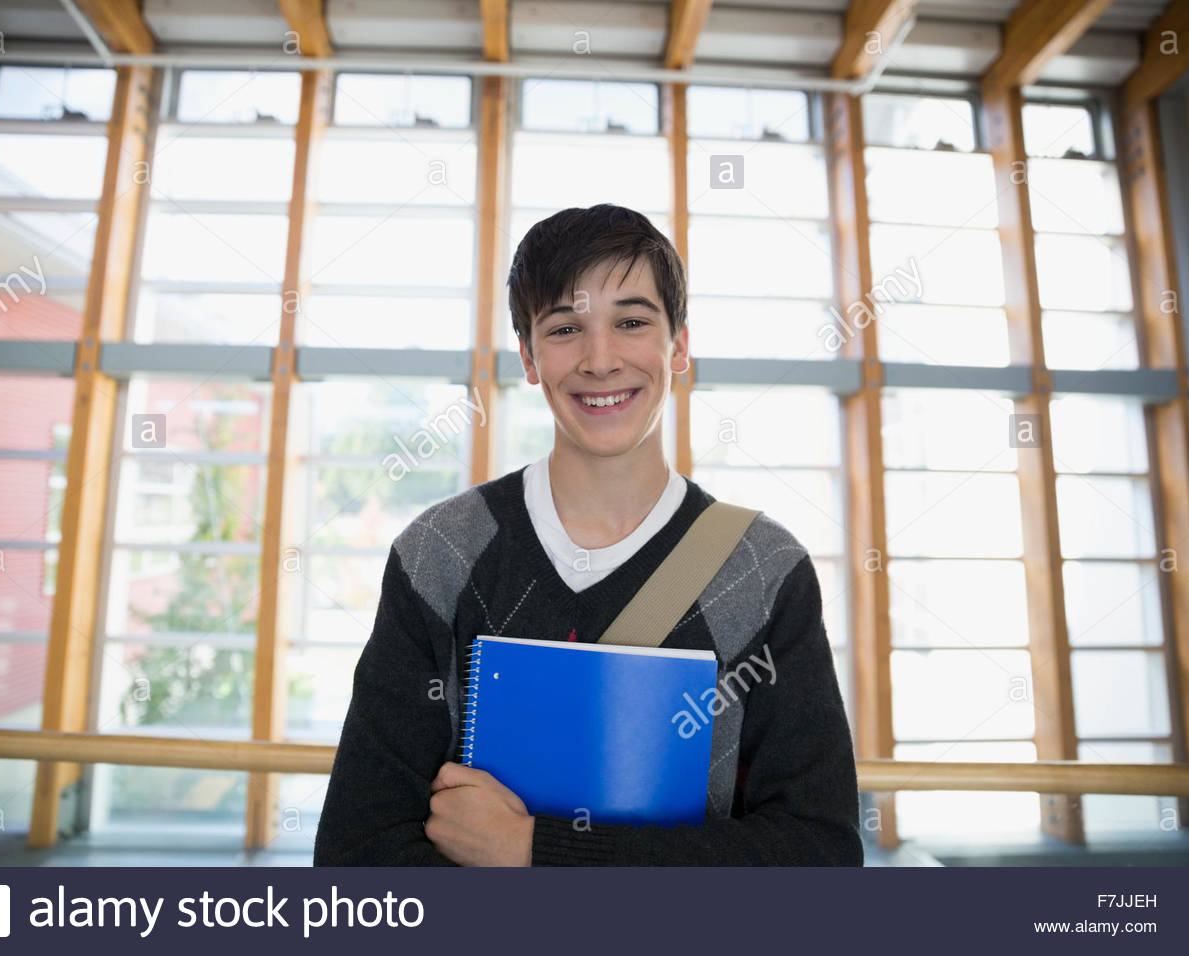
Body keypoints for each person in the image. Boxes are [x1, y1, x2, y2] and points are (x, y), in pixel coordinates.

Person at [313, 203, 862, 866]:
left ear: (679, 345)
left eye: (631, 322)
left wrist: (532, 851)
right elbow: (357, 852)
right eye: (566, 329)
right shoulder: (442, 554)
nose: (601, 360)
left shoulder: (763, 571)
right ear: (529, 356)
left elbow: (819, 854)